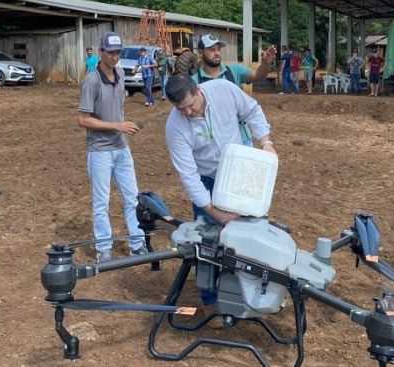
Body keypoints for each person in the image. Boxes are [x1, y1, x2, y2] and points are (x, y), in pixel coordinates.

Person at [164, 74, 275, 305]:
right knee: (207, 241)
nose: (187, 112)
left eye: (190, 105)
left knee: (248, 233)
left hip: (238, 174)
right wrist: (212, 210)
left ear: (198, 91)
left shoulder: (224, 90)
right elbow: (189, 175)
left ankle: (246, 292)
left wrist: (265, 141)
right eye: (180, 109)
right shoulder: (175, 127)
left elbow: (252, 110)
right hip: (206, 180)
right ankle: (211, 301)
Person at [78, 32, 148, 263]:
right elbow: (83, 119)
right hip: (100, 150)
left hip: (121, 148)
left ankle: (137, 243)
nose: (114, 57)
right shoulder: (91, 81)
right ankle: (103, 248)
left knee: (132, 198)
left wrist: (122, 127)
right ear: (101, 52)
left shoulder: (119, 73)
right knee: (101, 201)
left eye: (117, 52)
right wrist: (117, 125)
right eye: (110, 53)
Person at [192, 33, 275, 144]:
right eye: (211, 50)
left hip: (242, 138)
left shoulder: (234, 70)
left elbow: (257, 75)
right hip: (215, 141)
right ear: (200, 52)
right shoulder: (194, 82)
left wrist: (265, 64)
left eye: (218, 49)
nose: (217, 53)